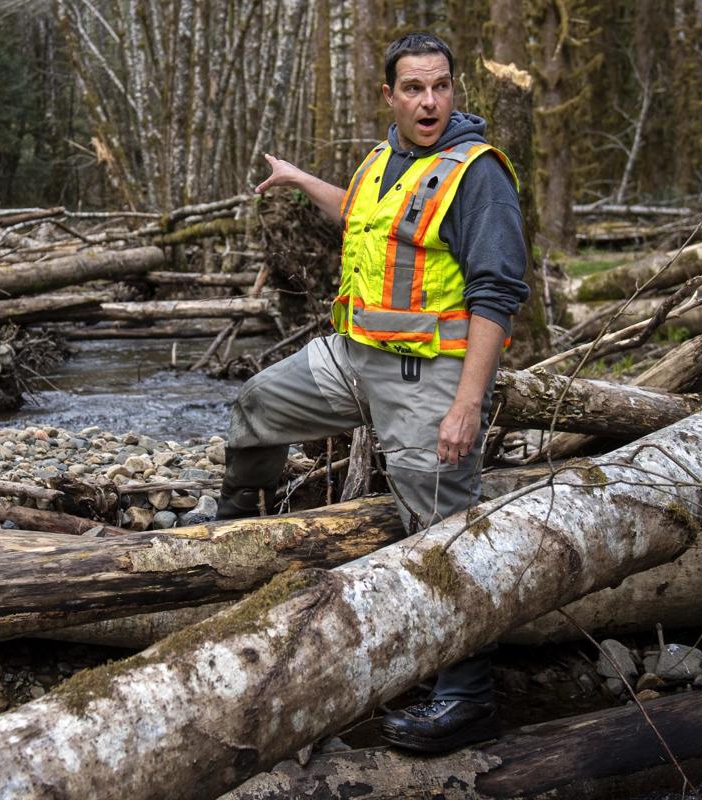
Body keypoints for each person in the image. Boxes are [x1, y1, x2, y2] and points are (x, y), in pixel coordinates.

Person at [218, 32, 529, 754]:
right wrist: (300, 180)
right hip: (352, 356)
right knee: (256, 406)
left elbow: (497, 293)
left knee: (444, 530)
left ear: (455, 90)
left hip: (428, 375)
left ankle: (467, 696)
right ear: (388, 95)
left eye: (441, 86)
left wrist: (468, 403)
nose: (429, 101)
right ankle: (235, 521)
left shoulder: (475, 175)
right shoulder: (385, 157)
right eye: (414, 88)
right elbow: (361, 216)